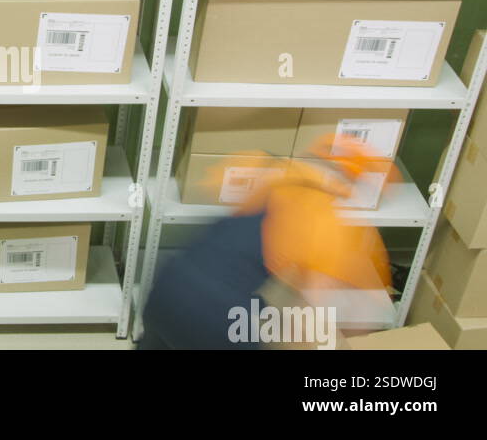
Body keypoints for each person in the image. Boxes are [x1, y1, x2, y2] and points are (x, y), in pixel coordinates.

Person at [139, 134, 393, 350]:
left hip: (168, 288)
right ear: (354, 181)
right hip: (218, 318)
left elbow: (213, 184)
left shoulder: (267, 169)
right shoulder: (329, 222)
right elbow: (317, 304)